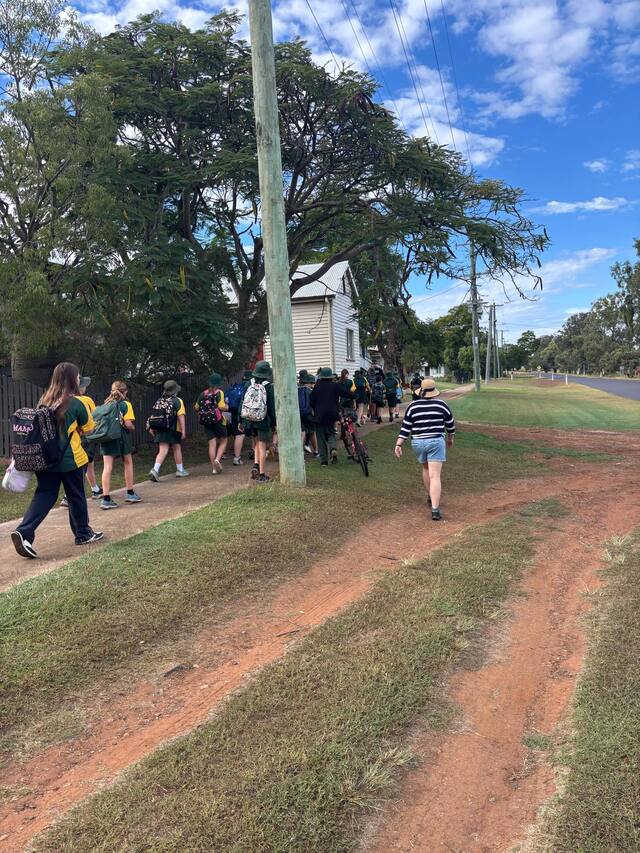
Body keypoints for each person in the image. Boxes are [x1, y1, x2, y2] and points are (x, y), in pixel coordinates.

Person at [11, 362, 103, 558]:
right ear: (72, 379)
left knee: (45, 495)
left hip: (45, 459)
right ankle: (83, 533)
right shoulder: (77, 402)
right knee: (76, 495)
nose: (79, 379)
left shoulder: (44, 400)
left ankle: (24, 531)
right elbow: (89, 429)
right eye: (77, 376)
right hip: (69, 459)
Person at [394, 377, 455, 522]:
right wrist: (451, 438)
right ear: (434, 391)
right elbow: (450, 423)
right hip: (435, 441)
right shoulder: (441, 405)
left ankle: (430, 495)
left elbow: (405, 427)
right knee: (435, 476)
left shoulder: (413, 406)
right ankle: (435, 509)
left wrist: (398, 444)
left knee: (426, 470)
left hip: (418, 442)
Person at [99, 380, 142, 509]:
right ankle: (130, 492)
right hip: (121, 436)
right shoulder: (126, 404)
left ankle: (106, 498)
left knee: (107, 466)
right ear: (125, 392)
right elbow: (128, 423)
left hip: (106, 437)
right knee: (128, 462)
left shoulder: (106, 404)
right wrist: (133, 427)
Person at [60, 375, 102, 506]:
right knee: (82, 465)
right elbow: (94, 417)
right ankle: (68, 496)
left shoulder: (65, 401)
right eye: (83, 385)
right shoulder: (86, 400)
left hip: (72, 438)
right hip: (86, 437)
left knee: (89, 463)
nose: (84, 387)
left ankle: (95, 489)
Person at [239, 360, 276, 483]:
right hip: (262, 420)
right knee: (262, 445)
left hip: (249, 418)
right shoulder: (268, 386)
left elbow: (242, 402)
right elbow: (271, 407)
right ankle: (261, 473)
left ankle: (255, 464)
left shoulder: (248, 383)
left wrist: (241, 420)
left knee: (255, 443)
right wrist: (274, 423)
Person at [148, 380, 189, 481]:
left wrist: (151, 427)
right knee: (176, 448)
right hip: (173, 429)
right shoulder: (178, 400)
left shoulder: (160, 400)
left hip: (160, 428)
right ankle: (180, 470)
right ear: (175, 390)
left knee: (162, 450)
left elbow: (154, 414)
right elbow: (181, 416)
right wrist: (183, 430)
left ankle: (155, 469)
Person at [195, 372, 228, 475]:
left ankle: (214, 468)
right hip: (218, 421)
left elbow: (196, 407)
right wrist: (227, 407)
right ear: (218, 383)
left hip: (206, 422)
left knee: (212, 444)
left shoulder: (203, 394)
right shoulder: (219, 393)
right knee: (224, 440)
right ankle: (217, 459)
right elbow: (222, 406)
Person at [310, 367, 343, 466]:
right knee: (331, 433)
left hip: (319, 415)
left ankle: (324, 461)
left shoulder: (317, 386)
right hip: (332, 414)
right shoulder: (335, 386)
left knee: (320, 438)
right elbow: (343, 394)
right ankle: (333, 448)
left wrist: (315, 408)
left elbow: (311, 400)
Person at [226, 370, 251, 465]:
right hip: (246, 413)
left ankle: (237, 458)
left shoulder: (236, 386)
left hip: (234, 413)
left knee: (238, 435)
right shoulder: (250, 387)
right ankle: (255, 454)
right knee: (253, 434)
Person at [298, 371, 317, 455]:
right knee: (313, 432)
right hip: (309, 414)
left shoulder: (298, 389)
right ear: (310, 383)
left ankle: (300, 453)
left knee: (302, 433)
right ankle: (316, 451)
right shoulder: (311, 391)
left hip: (299, 414)